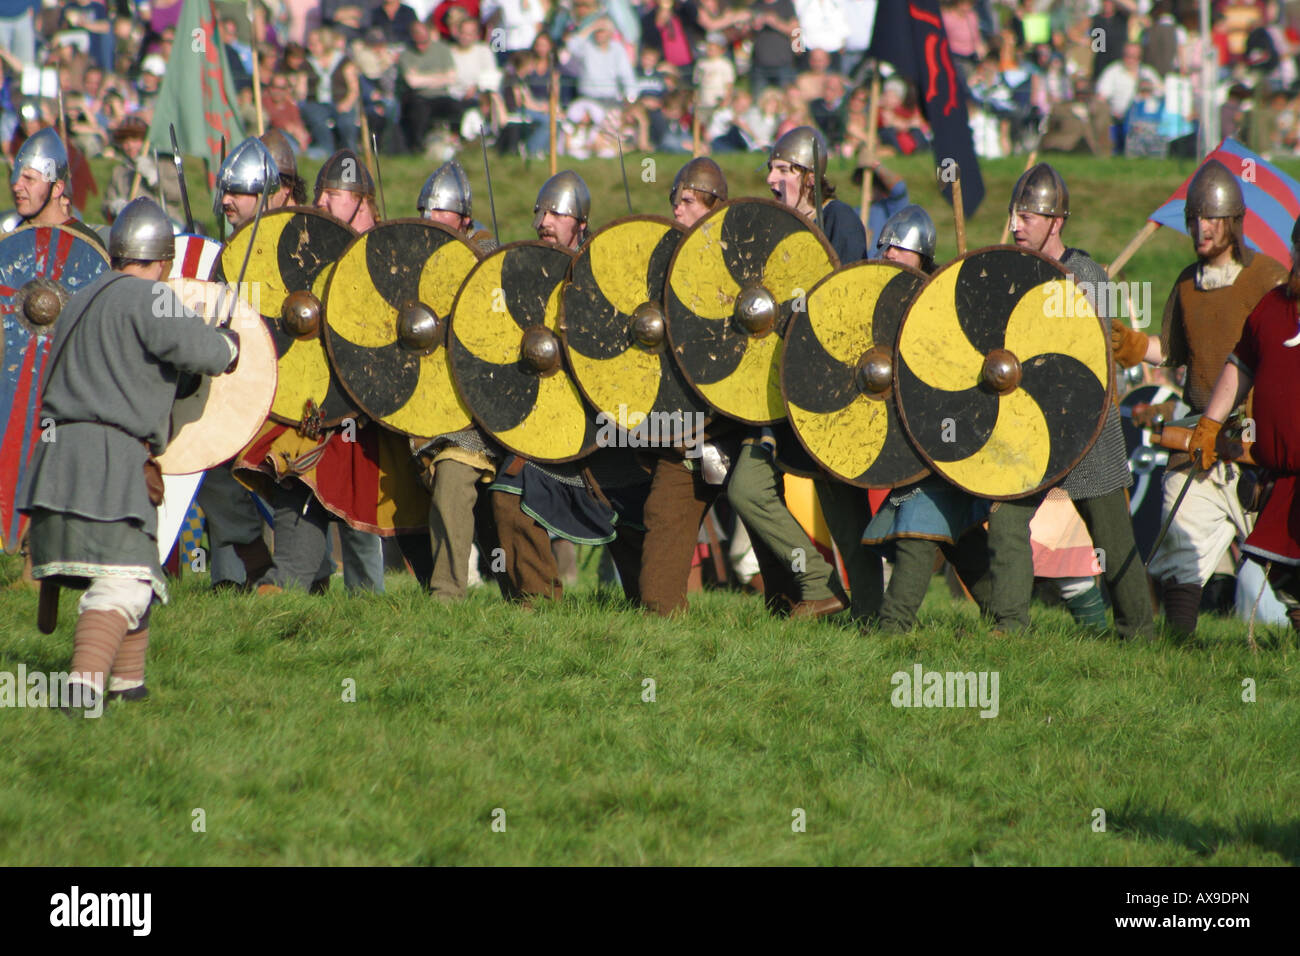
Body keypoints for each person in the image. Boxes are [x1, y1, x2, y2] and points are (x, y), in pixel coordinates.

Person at [20, 197, 240, 711]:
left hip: (56, 465)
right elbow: (206, 353)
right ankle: (82, 688)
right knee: (124, 581)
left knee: (141, 570)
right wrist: (229, 343)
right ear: (162, 261)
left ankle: (129, 688)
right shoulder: (148, 300)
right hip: (107, 464)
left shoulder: (79, 298)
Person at [1111, 159, 1287, 636]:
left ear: (1232, 222)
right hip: (1197, 437)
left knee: (1285, 560)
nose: (1200, 228)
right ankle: (1177, 651)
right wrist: (1131, 345)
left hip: (1259, 445)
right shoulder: (1187, 284)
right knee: (1178, 549)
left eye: (1211, 219)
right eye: (1194, 219)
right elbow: (1171, 350)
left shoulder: (1270, 279)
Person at [237, 149, 420, 594]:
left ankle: (413, 602)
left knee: (382, 514)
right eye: (319, 194)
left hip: (374, 415)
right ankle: (288, 582)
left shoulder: (390, 254)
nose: (320, 203)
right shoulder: (311, 245)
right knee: (293, 474)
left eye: (332, 195)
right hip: (315, 402)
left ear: (361, 202)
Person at [991, 162, 1153, 638]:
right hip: (1030, 429)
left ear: (1056, 223)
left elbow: (1090, 371)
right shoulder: (1012, 273)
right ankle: (1009, 628)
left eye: (1028, 217)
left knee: (1113, 541)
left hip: (1087, 432)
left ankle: (1138, 634)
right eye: (1014, 215)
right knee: (1005, 522)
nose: (1016, 225)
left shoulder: (1088, 278)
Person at [488, 170, 649, 604]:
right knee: (509, 493)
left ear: (580, 222)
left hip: (608, 436)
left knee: (636, 532)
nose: (544, 221)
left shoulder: (604, 277)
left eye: (556, 213)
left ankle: (654, 612)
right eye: (540, 212)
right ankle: (538, 607)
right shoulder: (520, 277)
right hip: (545, 432)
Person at [764, 126, 882, 623]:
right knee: (748, 486)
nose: (771, 178)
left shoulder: (839, 220)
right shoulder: (773, 226)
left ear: (809, 179)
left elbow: (844, 304)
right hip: (778, 390)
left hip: (833, 393)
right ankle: (819, 582)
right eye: (771, 167)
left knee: (845, 515)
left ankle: (874, 619)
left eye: (784, 170)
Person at [861, 205, 994, 631]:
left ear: (923, 256)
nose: (891, 254)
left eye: (902, 248)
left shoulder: (941, 302)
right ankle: (1008, 616)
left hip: (944, 435)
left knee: (921, 524)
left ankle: (893, 627)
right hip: (905, 440)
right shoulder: (878, 301)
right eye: (887, 247)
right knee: (961, 532)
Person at [1195, 215, 1300, 632]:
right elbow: (1240, 367)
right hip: (1282, 478)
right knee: (1283, 572)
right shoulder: (1272, 308)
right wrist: (1209, 424)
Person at [411, 160, 500, 601]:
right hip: (419, 408)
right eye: (423, 209)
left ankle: (446, 594)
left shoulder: (485, 259)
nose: (429, 218)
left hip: (475, 415)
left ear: (464, 219)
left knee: (452, 475)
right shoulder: (410, 255)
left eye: (439, 210)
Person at [8, 127, 104, 249]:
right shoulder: (13, 239)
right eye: (16, 178)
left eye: (29, 179)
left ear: (57, 188)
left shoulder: (85, 244)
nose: (17, 187)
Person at [100, 115, 183, 223]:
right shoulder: (119, 171)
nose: (129, 145)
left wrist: (155, 180)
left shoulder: (163, 165)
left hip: (166, 225)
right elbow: (106, 205)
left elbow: (178, 196)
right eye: (125, 141)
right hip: (133, 229)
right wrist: (113, 207)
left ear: (145, 140)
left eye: (134, 139)